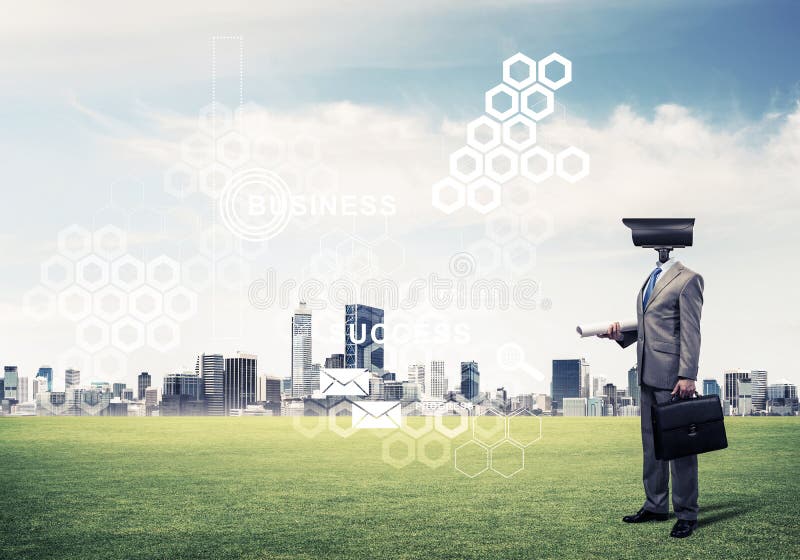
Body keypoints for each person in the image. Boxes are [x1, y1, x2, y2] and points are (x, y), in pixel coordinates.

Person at [598, 256, 704, 538]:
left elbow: (691, 330)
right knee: (652, 445)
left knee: (680, 448)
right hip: (647, 373)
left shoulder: (688, 279)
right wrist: (620, 336)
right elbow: (651, 324)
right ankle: (656, 506)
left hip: (673, 377)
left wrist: (687, 374)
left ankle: (686, 513)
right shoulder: (651, 278)